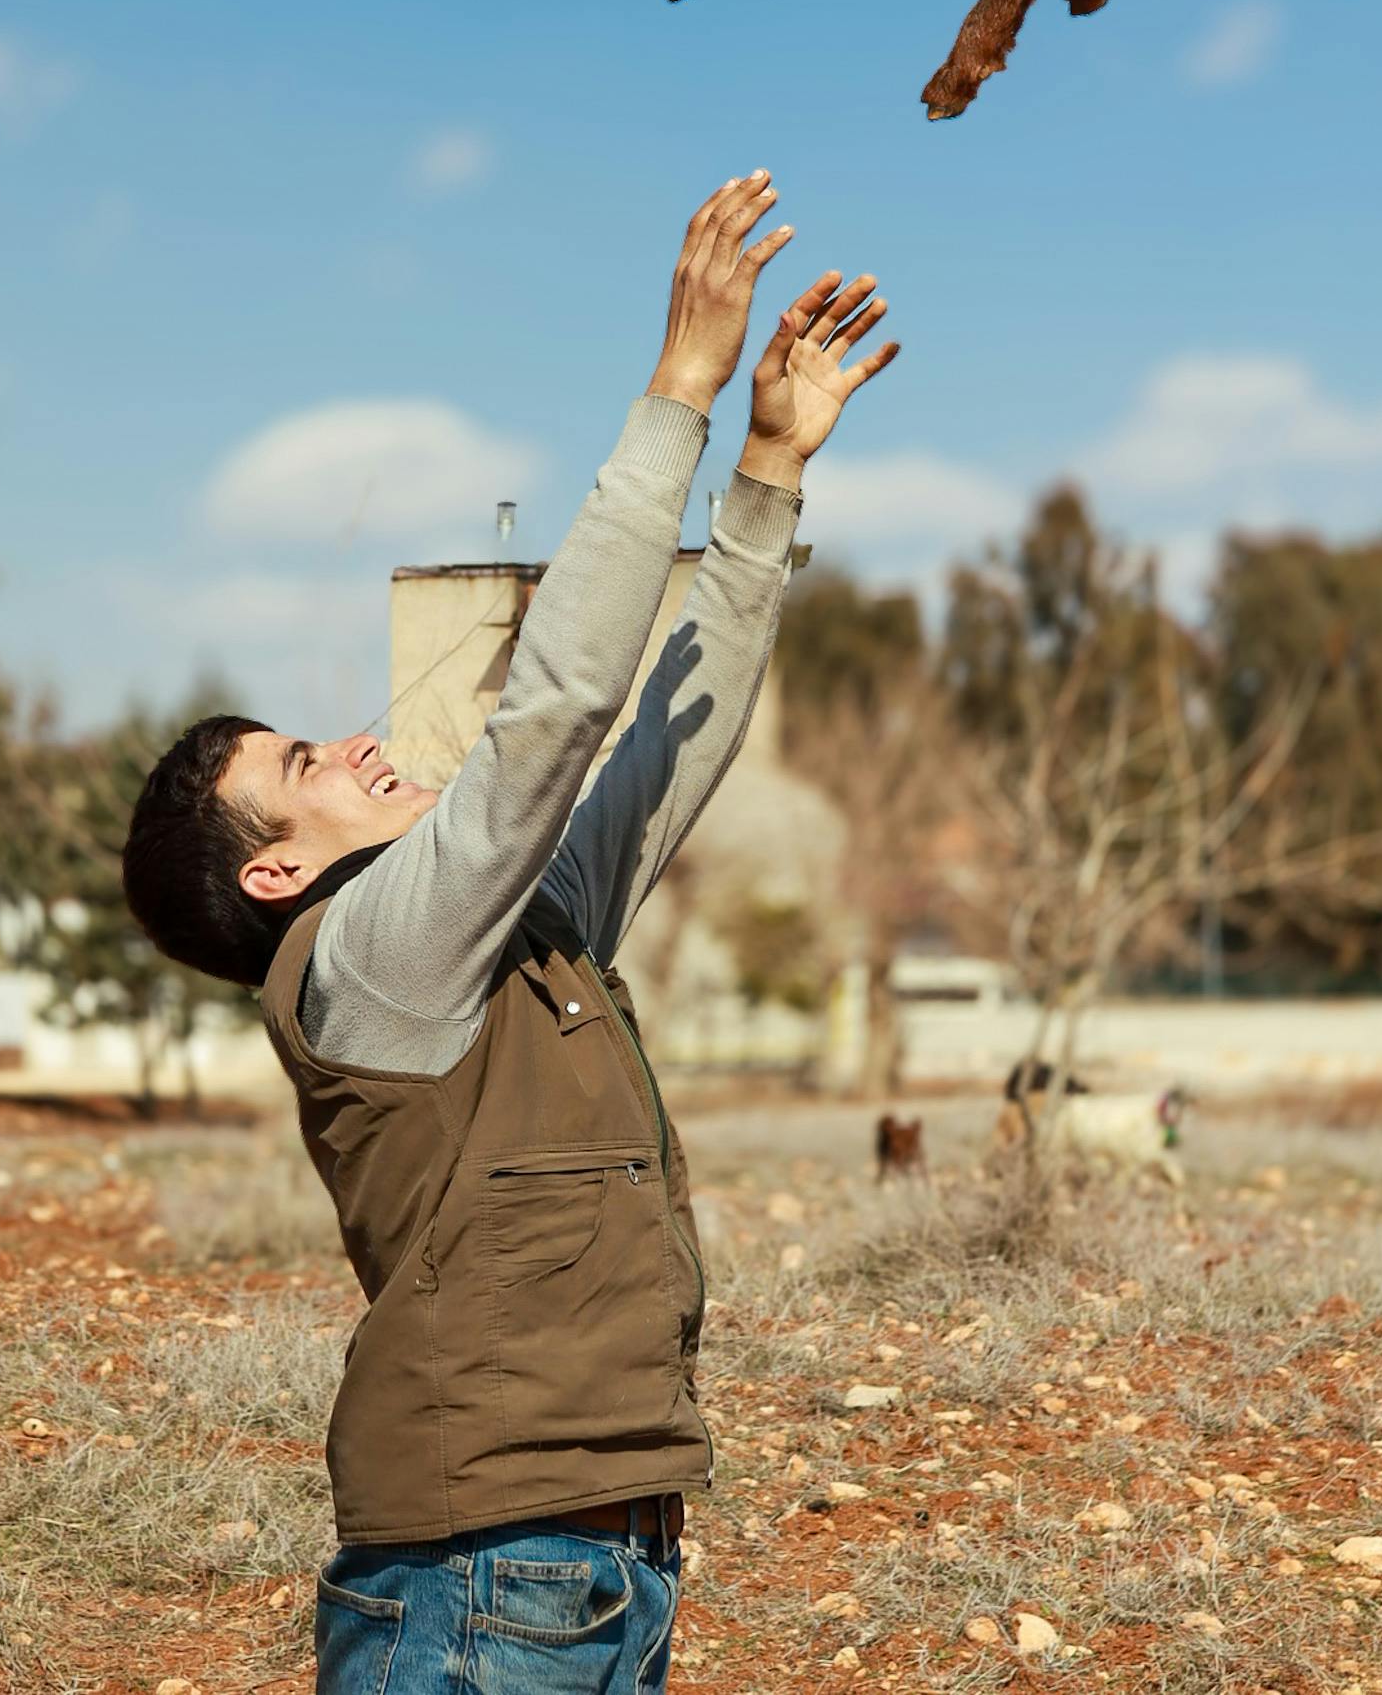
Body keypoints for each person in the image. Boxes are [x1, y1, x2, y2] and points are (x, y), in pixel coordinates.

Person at [122, 171, 899, 1692]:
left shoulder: (515, 934)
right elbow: (553, 718)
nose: (350, 744)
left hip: (596, 1565)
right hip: (484, 1580)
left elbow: (655, 771)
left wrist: (761, 482)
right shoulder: (364, 961)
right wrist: (677, 389)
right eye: (301, 770)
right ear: (277, 875)